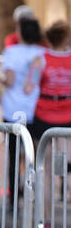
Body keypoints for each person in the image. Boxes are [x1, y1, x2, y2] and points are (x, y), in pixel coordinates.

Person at [0, 16, 43, 200]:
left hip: (12, 109)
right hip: (35, 108)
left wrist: (0, 77)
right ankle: (32, 190)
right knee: (36, 153)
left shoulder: (12, 51)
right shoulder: (42, 53)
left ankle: (13, 195)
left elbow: (8, 80)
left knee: (13, 155)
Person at [26, 19, 71, 149]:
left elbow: (28, 88)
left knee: (45, 158)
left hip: (44, 113)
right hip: (67, 113)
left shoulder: (39, 60)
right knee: (65, 158)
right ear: (67, 38)